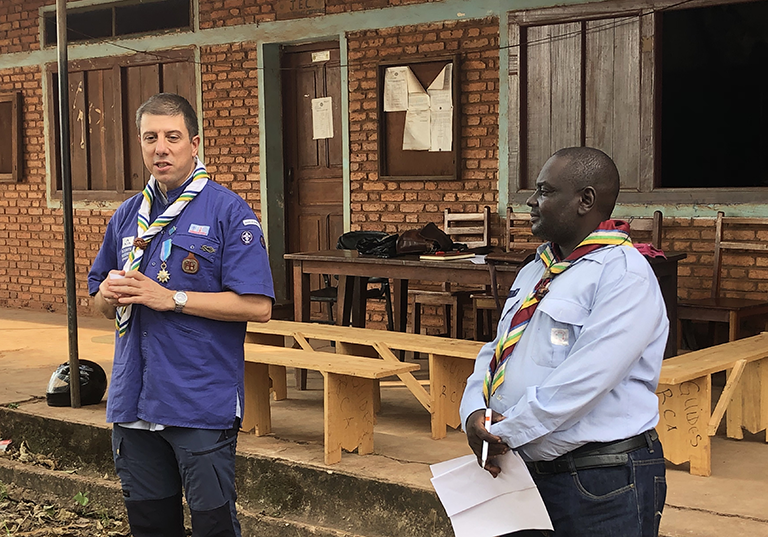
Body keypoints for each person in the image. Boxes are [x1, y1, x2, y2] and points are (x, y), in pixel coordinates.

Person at [88, 93, 274, 537]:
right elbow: (95, 299)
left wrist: (170, 298)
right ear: (140, 143)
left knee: (212, 526)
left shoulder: (228, 211)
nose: (161, 148)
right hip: (134, 400)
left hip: (197, 401)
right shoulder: (129, 215)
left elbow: (258, 306)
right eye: (151, 138)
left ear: (194, 144)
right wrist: (109, 295)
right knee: (150, 526)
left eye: (172, 137)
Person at [459, 147, 668, 537]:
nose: (532, 203)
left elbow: (586, 378)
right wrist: (474, 411)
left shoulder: (624, 275)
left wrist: (503, 433)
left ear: (584, 200)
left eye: (544, 191)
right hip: (526, 470)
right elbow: (500, 349)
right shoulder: (539, 268)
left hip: (599, 481)